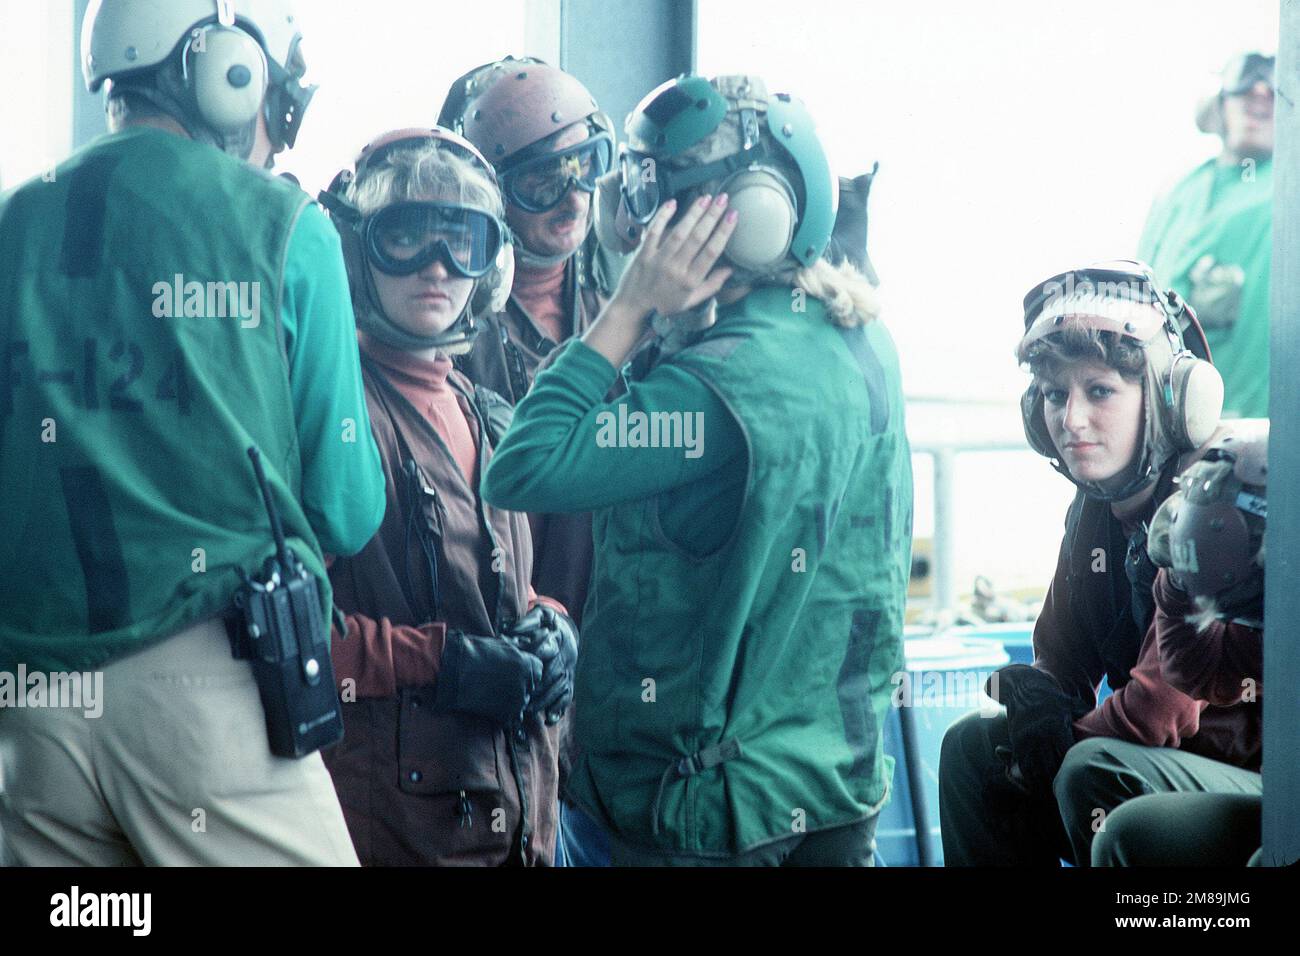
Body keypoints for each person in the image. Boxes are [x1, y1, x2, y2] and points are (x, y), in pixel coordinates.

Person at [482, 73, 912, 866]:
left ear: (748, 220)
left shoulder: (715, 386)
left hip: (700, 818)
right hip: (834, 794)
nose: (643, 229)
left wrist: (629, 307)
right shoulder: (859, 336)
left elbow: (523, 469)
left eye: (670, 205)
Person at [0, 0, 384, 865]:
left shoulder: (10, 221)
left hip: (24, 702)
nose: (270, 136)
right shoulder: (287, 227)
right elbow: (346, 507)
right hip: (209, 689)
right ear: (222, 72)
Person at [937, 259, 1263, 867]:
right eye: (1056, 395)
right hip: (1158, 772)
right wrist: (1038, 710)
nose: (1071, 419)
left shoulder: (1214, 508)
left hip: (1263, 797)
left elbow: (1155, 714)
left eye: (1101, 391)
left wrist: (1060, 741)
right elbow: (1060, 661)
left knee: (1093, 769)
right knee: (976, 746)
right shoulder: (1095, 509)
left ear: (1172, 397)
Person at [315, 127, 577, 866]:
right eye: (406, 237)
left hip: (518, 823)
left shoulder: (483, 411)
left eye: (462, 240)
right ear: (358, 252)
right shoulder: (335, 416)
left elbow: (502, 591)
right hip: (397, 834)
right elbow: (287, 642)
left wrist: (554, 629)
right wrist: (441, 663)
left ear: (489, 264)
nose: (437, 266)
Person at [1091, 422, 1266, 866]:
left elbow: (1157, 712)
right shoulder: (1263, 610)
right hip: (1279, 793)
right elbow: (1200, 674)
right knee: (1127, 835)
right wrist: (1178, 579)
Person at [1138, 51, 1274, 419]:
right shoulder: (1178, 191)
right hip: (1170, 422)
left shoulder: (1287, 186)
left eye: (1274, 90)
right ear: (1219, 104)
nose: (1261, 92)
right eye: (1246, 87)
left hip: (1258, 428)